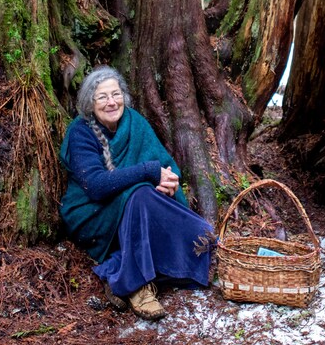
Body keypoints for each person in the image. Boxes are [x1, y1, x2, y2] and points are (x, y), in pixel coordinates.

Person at [58, 66, 213, 321]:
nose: (111, 102)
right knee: (140, 192)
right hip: (91, 212)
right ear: (89, 102)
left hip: (136, 209)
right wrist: (149, 171)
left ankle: (119, 270)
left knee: (188, 229)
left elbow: (167, 167)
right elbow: (96, 186)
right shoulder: (81, 131)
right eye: (102, 97)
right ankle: (137, 286)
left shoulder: (134, 122)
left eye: (116, 94)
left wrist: (169, 183)